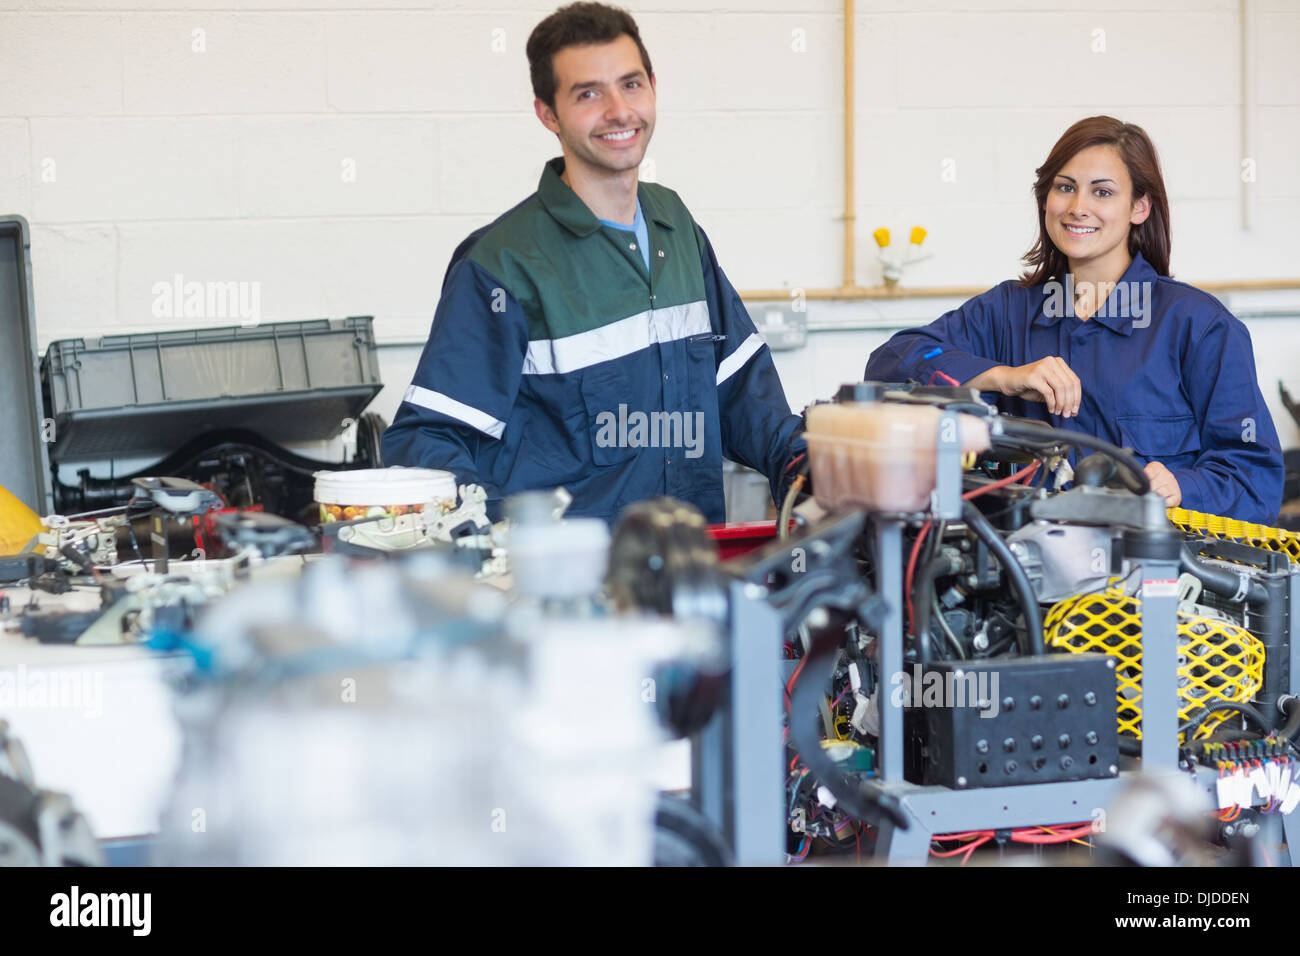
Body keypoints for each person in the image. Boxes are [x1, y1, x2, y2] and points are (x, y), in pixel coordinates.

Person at [383, 2, 803, 524]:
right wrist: (505, 549)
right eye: (588, 94)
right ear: (548, 113)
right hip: (571, 593)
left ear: (653, 85)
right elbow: (427, 441)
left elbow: (737, 385)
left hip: (692, 567)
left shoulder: (675, 224)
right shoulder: (503, 266)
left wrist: (803, 463)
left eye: (630, 85)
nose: (619, 111)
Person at [864, 116, 1283, 524]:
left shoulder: (1198, 326)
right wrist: (1003, 377)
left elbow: (1254, 478)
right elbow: (890, 364)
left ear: (1139, 207)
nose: (1078, 207)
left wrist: (1182, 486)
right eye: (1065, 188)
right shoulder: (1007, 312)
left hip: (1153, 576)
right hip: (1021, 570)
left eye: (1102, 193)